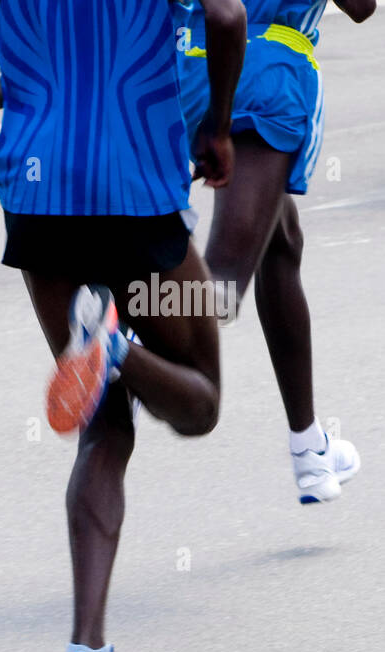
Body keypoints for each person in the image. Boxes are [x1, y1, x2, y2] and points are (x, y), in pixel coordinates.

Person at [0, 0, 246, 652]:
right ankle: (119, 350)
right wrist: (217, 127)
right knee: (202, 402)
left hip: (40, 195)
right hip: (137, 189)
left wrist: (35, 88)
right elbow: (225, 16)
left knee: (103, 425)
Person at [174, 0, 373, 504]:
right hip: (264, 78)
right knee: (220, 289)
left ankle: (310, 448)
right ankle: (122, 331)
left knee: (282, 241)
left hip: (187, 70)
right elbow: (362, 7)